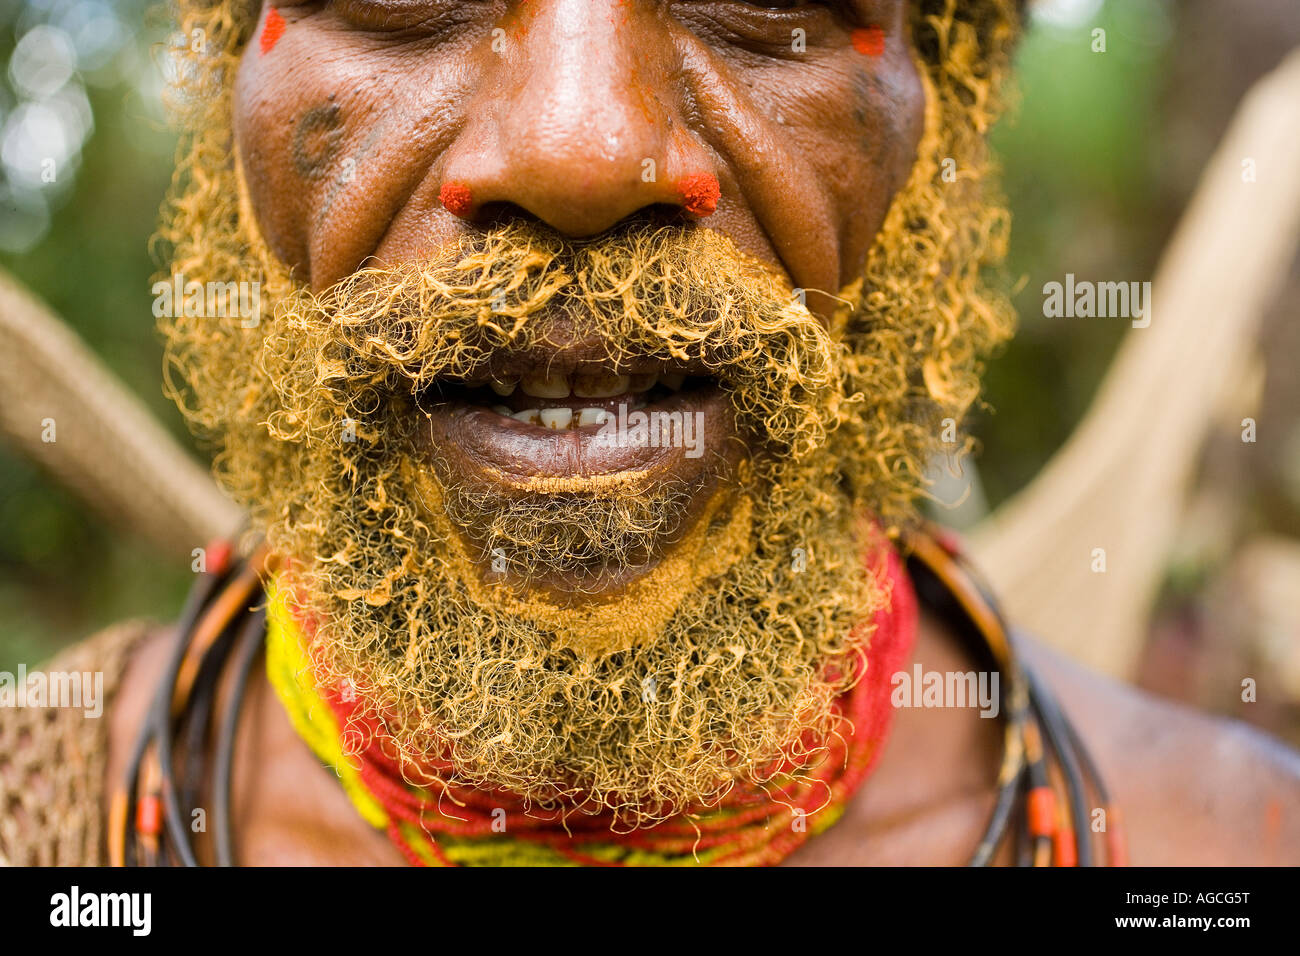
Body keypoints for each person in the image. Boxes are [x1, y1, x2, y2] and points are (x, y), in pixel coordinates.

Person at [2, 0, 1297, 867]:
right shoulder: (43, 817)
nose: (582, 150)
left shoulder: (1224, 844)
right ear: (234, 85)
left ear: (944, 105)